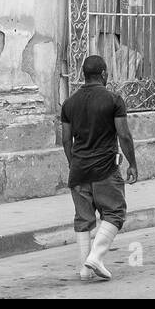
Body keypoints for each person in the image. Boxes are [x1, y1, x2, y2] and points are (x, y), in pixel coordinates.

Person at [61, 54, 138, 282]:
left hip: (78, 170)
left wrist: (73, 162)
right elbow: (123, 134)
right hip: (105, 168)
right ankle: (95, 257)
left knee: (83, 219)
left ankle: (85, 271)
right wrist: (132, 163)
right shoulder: (113, 100)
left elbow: (66, 140)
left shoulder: (69, 103)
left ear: (83, 75)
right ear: (104, 74)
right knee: (115, 213)